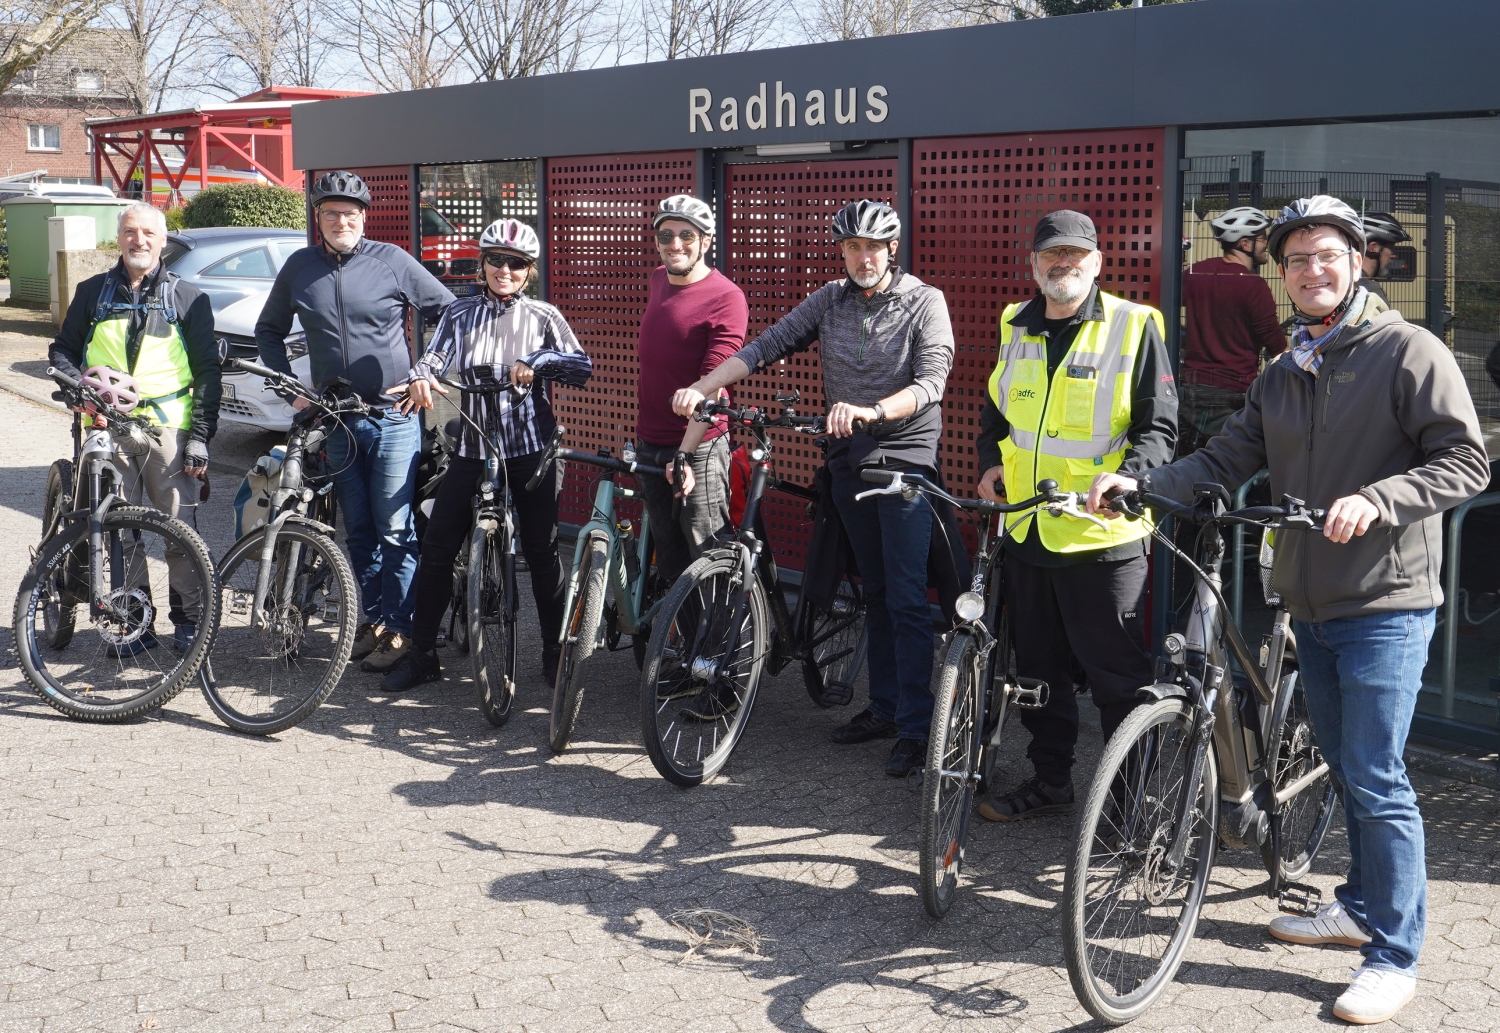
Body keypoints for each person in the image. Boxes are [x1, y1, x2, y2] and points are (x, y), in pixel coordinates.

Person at [1088, 196, 1489, 1026]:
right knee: (1343, 764)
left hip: (1385, 600)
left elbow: (1464, 462)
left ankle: (1395, 956)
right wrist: (1145, 483)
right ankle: (1359, 905)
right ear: (1283, 273)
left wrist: (1379, 499)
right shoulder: (1283, 371)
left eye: (1328, 255)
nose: (1313, 270)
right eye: (1297, 259)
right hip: (1309, 595)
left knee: (1375, 775)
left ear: (1358, 261)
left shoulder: (1407, 350)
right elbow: (1226, 455)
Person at [672, 199, 955, 778]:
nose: (862, 257)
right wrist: (703, 388)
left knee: (905, 596)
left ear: (892, 249)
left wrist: (874, 410)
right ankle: (884, 708)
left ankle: (916, 727)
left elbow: (932, 381)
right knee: (875, 588)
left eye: (872, 247)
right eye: (852, 247)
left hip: (904, 458)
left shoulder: (925, 301)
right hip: (849, 455)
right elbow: (764, 346)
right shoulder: (831, 299)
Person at [973, 210, 1177, 822]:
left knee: (1117, 681)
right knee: (1036, 675)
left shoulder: (1134, 324)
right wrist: (988, 461)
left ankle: (1130, 807)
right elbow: (997, 410)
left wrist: (1131, 477)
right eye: (1051, 254)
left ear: (1096, 262)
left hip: (1102, 534)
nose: (1063, 263)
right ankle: (1051, 782)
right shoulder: (1015, 321)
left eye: (1075, 254)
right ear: (1034, 263)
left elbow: (1160, 428)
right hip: (1028, 527)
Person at [257, 170, 455, 675]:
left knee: (395, 528)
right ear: (318, 218)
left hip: (393, 416)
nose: (340, 221)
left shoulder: (391, 261)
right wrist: (289, 388)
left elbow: (450, 314)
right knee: (360, 531)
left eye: (349, 214)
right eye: (331, 213)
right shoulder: (300, 267)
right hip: (336, 418)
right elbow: (268, 330)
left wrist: (425, 372)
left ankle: (402, 628)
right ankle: (376, 618)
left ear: (364, 218)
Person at [381, 219, 592, 691]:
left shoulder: (543, 316)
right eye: (496, 260)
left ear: (529, 270)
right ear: (483, 264)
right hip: (474, 447)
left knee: (542, 552)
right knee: (437, 547)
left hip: (530, 449)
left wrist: (538, 361)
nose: (505, 270)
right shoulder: (460, 314)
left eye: (516, 263)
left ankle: (555, 653)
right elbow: (433, 358)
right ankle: (422, 655)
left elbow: (581, 365)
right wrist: (420, 377)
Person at [48, 201, 221, 653]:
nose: (138, 240)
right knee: (120, 530)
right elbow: (62, 351)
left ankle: (189, 620)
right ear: (118, 238)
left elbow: (208, 373)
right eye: (129, 232)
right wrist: (77, 387)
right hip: (108, 426)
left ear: (163, 240)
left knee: (180, 529)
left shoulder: (188, 298)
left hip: (169, 428)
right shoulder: (92, 292)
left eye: (147, 233)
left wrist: (200, 438)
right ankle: (133, 620)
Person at [633, 194, 748, 588]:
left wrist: (684, 453)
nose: (675, 244)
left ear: (706, 241)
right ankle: (677, 629)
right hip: (650, 442)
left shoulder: (726, 297)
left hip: (698, 448)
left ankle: (717, 633)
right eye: (666, 235)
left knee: (706, 558)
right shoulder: (658, 279)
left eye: (687, 235)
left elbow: (713, 385)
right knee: (668, 560)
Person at [1178, 206, 1286, 456]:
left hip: (1191, 387)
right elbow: (1275, 343)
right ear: (1245, 244)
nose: (1266, 244)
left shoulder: (1194, 274)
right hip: (1232, 393)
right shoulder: (1253, 285)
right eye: (1262, 238)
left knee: (1190, 461)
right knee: (1232, 462)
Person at [1360, 211, 1411, 310]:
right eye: (1391, 248)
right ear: (1373, 247)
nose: (1394, 255)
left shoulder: (1345, 283)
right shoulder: (1369, 292)